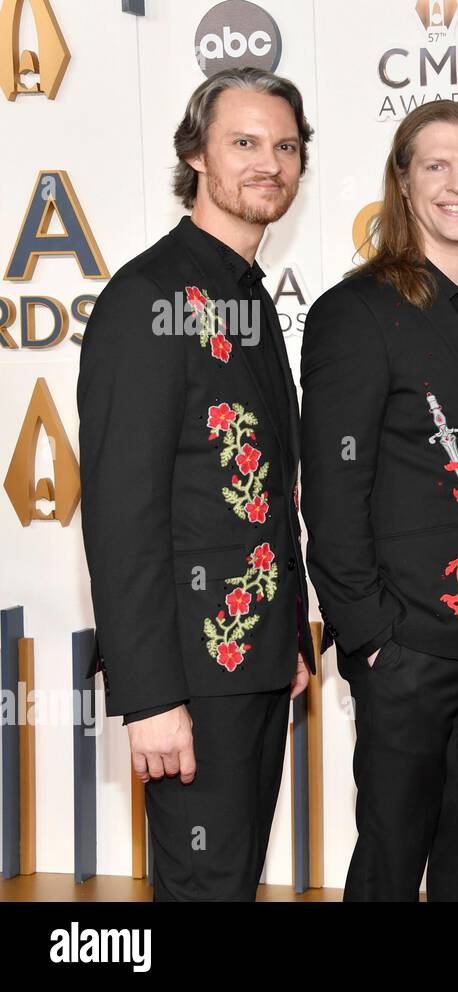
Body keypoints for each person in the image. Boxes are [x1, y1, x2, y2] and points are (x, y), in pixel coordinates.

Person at [78, 67, 315, 901]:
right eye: (244, 143)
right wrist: (147, 701)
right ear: (195, 155)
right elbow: (120, 515)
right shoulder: (146, 298)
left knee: (233, 886)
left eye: (285, 146)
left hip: (255, 664)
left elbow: (265, 493)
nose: (269, 164)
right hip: (187, 683)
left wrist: (287, 636)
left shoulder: (247, 298)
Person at [300, 101, 458, 901]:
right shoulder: (354, 312)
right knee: (393, 866)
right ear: (402, 182)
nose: (457, 184)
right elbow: (332, 493)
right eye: (435, 165)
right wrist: (371, 642)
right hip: (409, 652)